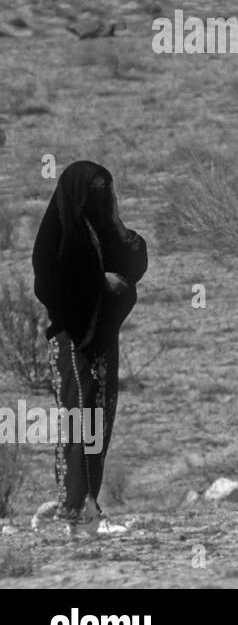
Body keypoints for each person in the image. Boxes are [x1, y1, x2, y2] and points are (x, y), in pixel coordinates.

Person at [32, 161, 148, 537]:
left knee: (100, 420)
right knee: (79, 421)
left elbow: (132, 257)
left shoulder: (100, 228)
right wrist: (100, 285)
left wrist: (113, 222)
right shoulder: (60, 234)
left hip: (101, 341)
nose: (100, 195)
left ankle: (88, 507)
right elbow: (52, 285)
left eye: (106, 188)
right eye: (94, 189)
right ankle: (73, 510)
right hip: (72, 342)